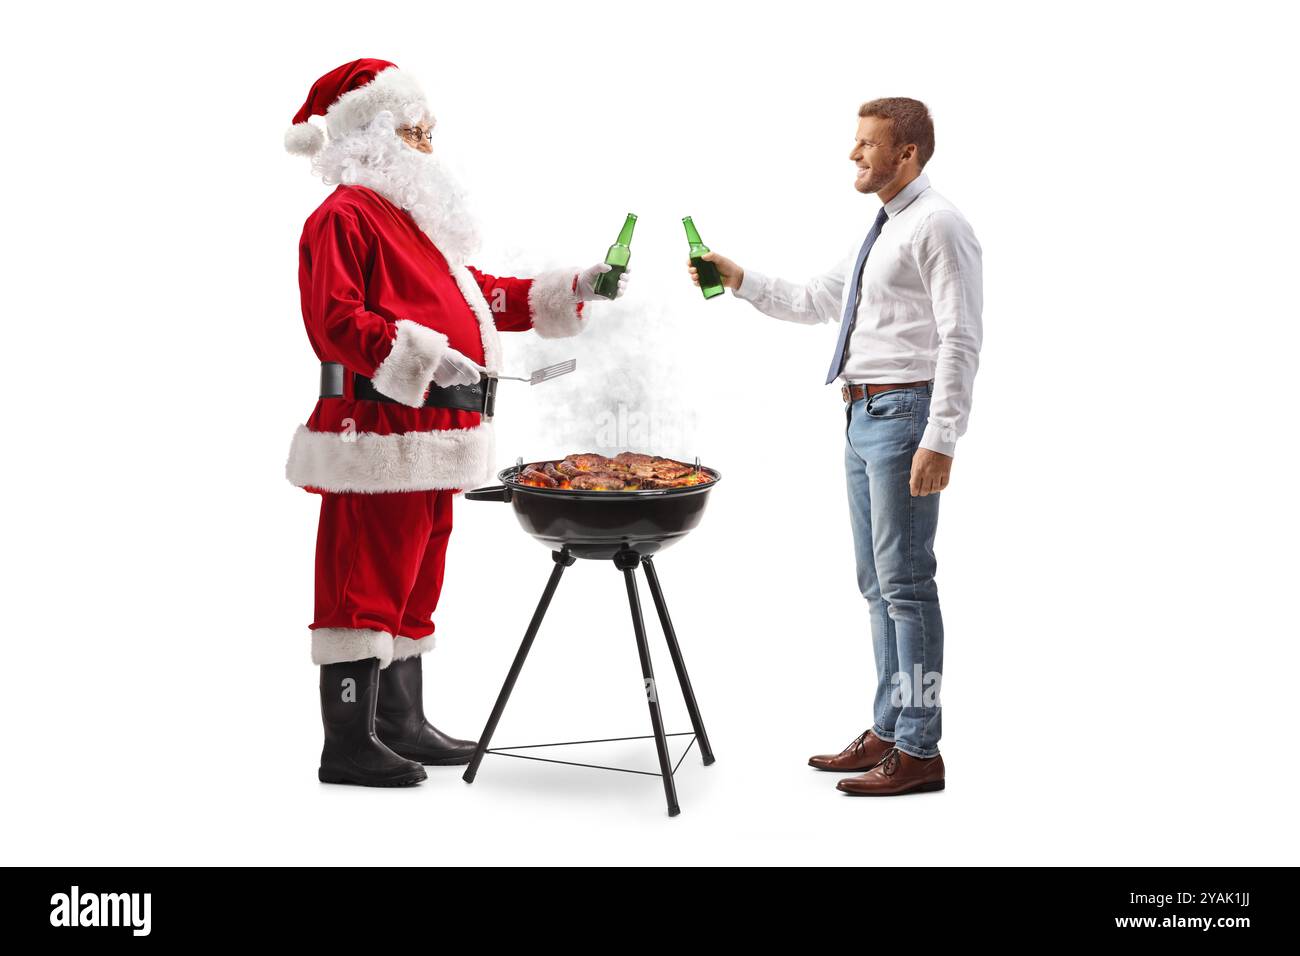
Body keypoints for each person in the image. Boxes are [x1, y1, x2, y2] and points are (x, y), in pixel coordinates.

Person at [284, 59, 629, 787]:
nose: (429, 147)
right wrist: (420, 356)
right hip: (374, 436)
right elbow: (336, 319)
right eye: (415, 132)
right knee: (362, 582)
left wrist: (574, 287)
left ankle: (401, 725)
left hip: (436, 439)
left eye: (429, 132)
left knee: (415, 577)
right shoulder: (342, 217)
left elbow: (481, 300)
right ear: (368, 138)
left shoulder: (419, 224)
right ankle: (347, 744)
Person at [688, 98, 982, 796]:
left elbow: (962, 337)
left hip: (904, 414)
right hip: (861, 415)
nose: (854, 155)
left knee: (907, 584)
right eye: (855, 142)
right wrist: (738, 279)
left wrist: (941, 438)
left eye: (867, 144)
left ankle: (920, 748)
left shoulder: (939, 224)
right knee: (879, 585)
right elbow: (823, 300)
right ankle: (890, 727)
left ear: (906, 154)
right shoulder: (885, 227)